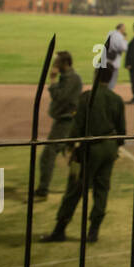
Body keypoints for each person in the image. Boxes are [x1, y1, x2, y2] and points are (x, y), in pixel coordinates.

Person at [40, 66, 126, 243]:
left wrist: (70, 146)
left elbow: (76, 125)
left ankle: (60, 229)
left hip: (90, 148)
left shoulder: (86, 98)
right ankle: (93, 231)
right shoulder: (116, 99)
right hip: (109, 147)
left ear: (95, 76)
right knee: (102, 190)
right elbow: (122, 130)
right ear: (110, 79)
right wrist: (115, 147)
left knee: (75, 189)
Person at [35, 51, 81, 198]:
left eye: (57, 63)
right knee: (73, 156)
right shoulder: (68, 78)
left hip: (65, 123)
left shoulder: (71, 79)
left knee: (48, 156)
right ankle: (78, 186)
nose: (54, 66)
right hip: (64, 122)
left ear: (65, 63)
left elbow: (59, 97)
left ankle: (43, 189)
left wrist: (52, 80)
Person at [103, 23, 128, 92]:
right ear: (121, 28)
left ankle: (104, 90)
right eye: (124, 28)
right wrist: (125, 40)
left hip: (106, 57)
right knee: (113, 77)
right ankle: (109, 92)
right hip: (115, 60)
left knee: (105, 76)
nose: (124, 29)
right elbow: (124, 48)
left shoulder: (110, 33)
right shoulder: (120, 36)